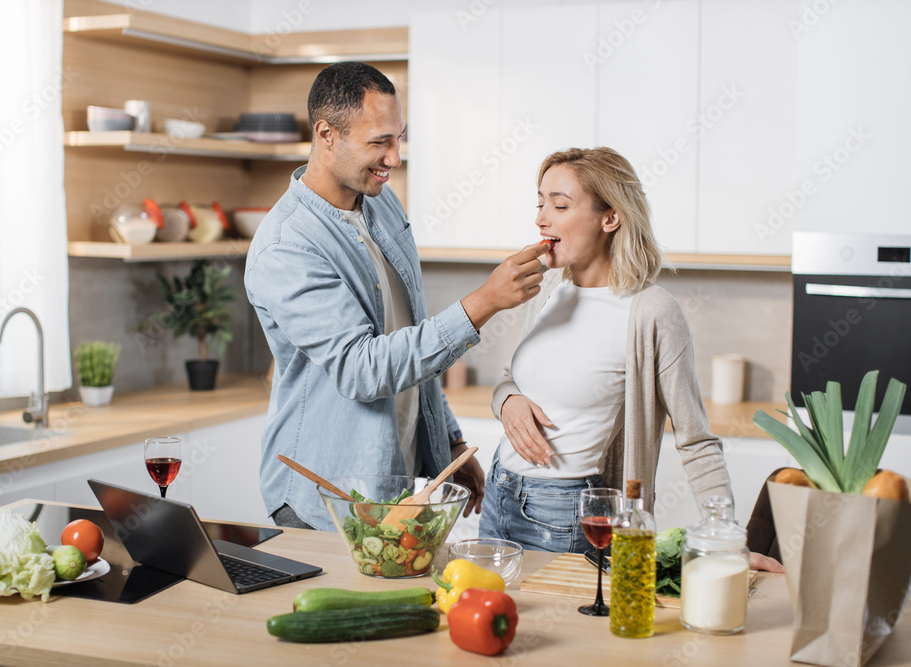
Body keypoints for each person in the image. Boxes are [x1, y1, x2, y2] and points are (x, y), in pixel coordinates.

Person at [244, 62, 548, 531]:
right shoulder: (287, 246)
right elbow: (363, 369)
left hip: (392, 484)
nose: (394, 158)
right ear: (327, 135)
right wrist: (485, 302)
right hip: (327, 497)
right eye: (379, 142)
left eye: (399, 138)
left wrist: (446, 440)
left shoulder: (382, 202)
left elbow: (409, 333)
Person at [477, 147, 783, 572]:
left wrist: (725, 534)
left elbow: (695, 439)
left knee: (565, 636)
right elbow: (512, 379)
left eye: (560, 205)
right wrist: (507, 403)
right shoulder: (550, 291)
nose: (541, 218)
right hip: (499, 494)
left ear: (611, 218)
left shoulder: (651, 312)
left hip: (566, 515)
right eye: (540, 202)